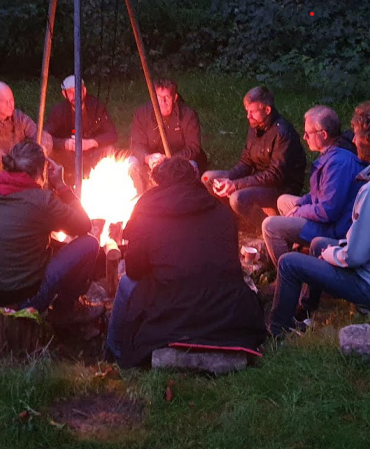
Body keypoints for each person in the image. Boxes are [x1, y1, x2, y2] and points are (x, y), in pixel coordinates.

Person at [268, 105, 370, 337]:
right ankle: (307, 310)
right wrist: (329, 249)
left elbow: (355, 256)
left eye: (357, 135)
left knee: (288, 263)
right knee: (317, 244)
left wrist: (331, 255)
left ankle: (277, 331)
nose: (353, 140)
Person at [106, 157, 267, 368]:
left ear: (159, 182)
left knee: (127, 283)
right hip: (223, 306)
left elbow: (135, 270)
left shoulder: (147, 210)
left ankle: (113, 349)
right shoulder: (220, 210)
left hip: (173, 303)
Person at [0, 140, 103, 325]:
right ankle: (65, 310)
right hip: (23, 300)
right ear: (42, 171)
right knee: (89, 244)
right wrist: (61, 186)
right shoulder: (42, 201)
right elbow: (84, 225)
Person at [261, 105, 365, 269]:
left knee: (270, 226)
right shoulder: (332, 154)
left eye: (308, 133)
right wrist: (301, 203)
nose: (304, 137)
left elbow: (327, 211)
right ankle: (298, 249)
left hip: (333, 229)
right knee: (284, 201)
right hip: (327, 217)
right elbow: (320, 193)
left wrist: (300, 212)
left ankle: (288, 272)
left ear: (323, 134)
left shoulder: (338, 163)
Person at [202, 86, 306, 228]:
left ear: (267, 110)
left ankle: (269, 227)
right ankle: (233, 220)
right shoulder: (255, 126)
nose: (248, 116)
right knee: (208, 178)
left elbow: (275, 175)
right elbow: (246, 161)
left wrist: (236, 185)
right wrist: (229, 179)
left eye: (252, 112)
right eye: (247, 111)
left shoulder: (282, 133)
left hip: (280, 187)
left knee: (237, 198)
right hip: (258, 177)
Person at [0, 81, 53, 190]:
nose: (10, 105)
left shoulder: (19, 118)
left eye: (11, 100)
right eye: (4, 101)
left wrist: (41, 148)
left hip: (14, 166)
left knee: (39, 156)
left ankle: (36, 195)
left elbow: (40, 134)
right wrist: (10, 161)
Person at [129, 79, 208, 193]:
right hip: (151, 162)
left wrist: (170, 160)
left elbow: (194, 147)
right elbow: (136, 145)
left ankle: (185, 200)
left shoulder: (188, 115)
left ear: (175, 97)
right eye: (159, 97)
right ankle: (142, 200)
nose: (162, 102)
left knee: (192, 167)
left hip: (179, 162)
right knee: (132, 163)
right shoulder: (142, 114)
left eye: (167, 97)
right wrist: (148, 158)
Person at [45, 76, 118, 184]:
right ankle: (63, 183)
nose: (75, 95)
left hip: (92, 154)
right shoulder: (59, 111)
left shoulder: (96, 107)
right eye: (70, 92)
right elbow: (46, 136)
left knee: (109, 150)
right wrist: (64, 143)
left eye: (78, 90)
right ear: (64, 94)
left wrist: (92, 142)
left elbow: (112, 134)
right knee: (49, 153)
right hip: (68, 156)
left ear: (84, 91)